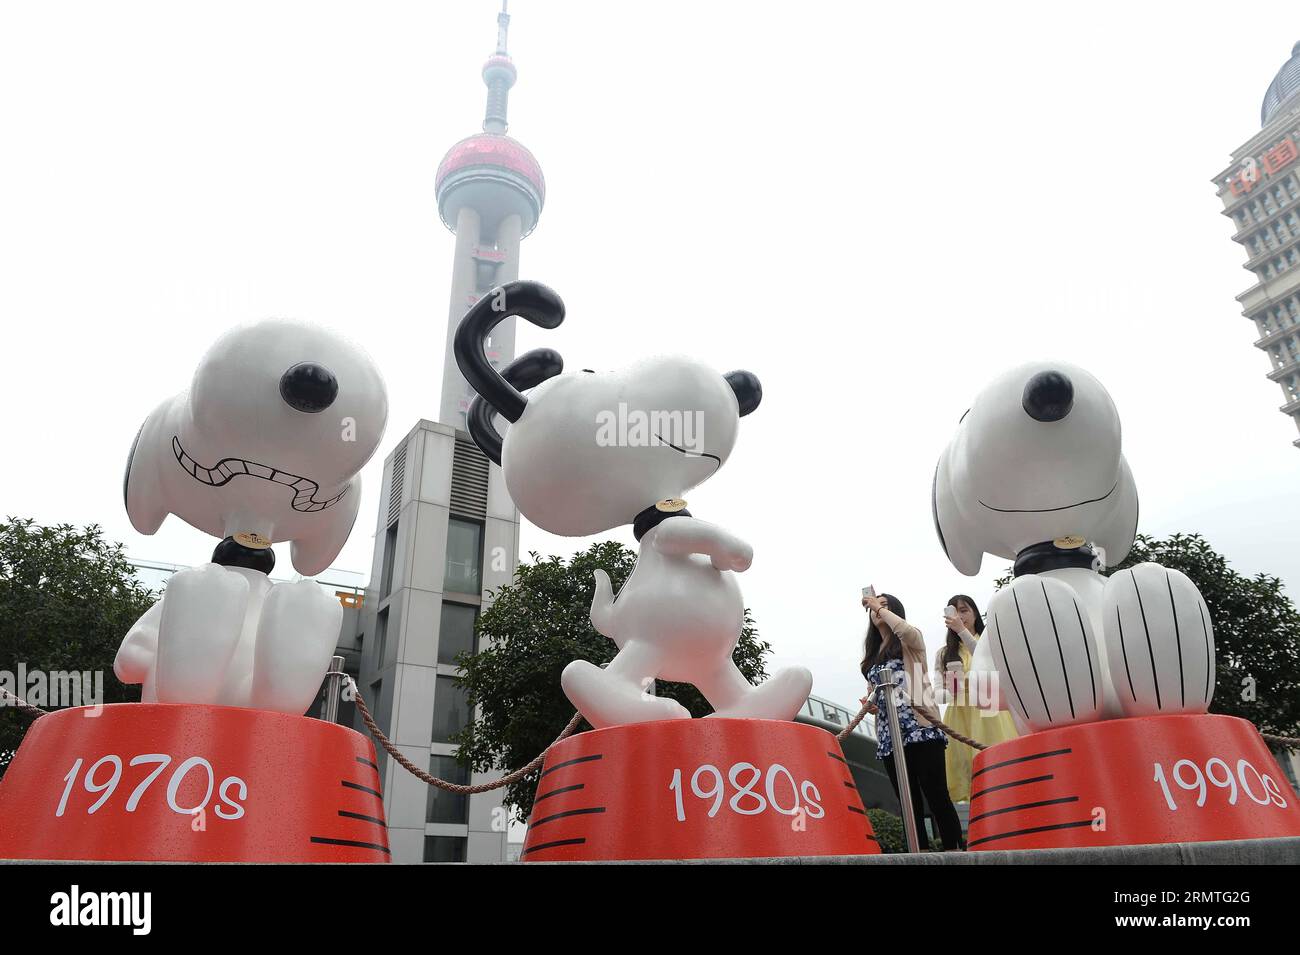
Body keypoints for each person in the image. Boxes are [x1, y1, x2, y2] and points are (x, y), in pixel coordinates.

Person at [859, 592, 965, 851]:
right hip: (889, 734)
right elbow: (876, 694)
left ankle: (954, 849)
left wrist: (878, 607)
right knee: (907, 799)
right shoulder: (873, 657)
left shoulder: (911, 643)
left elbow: (906, 632)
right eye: (875, 607)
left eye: (884, 606)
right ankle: (920, 850)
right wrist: (871, 706)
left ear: (894, 611)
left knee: (936, 792)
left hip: (920, 727)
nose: (877, 610)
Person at [933, 594, 1020, 804]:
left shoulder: (988, 641)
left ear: (974, 613)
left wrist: (962, 631)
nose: (959, 616)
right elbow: (937, 694)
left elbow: (986, 660)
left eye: (964, 610)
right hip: (960, 716)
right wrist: (953, 689)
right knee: (969, 777)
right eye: (954, 611)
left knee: (1000, 769)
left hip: (990, 711)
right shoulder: (944, 653)